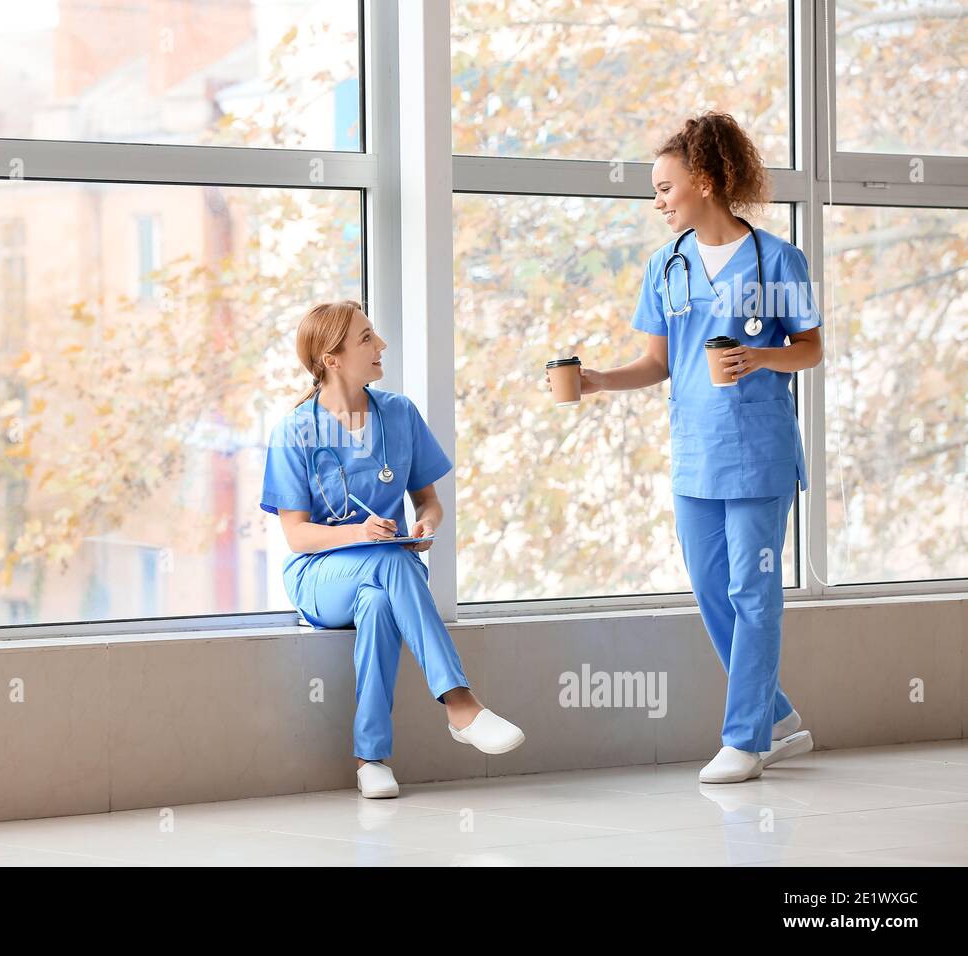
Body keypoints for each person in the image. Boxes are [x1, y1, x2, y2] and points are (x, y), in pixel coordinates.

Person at [549, 113, 822, 784]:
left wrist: (758, 357)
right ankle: (779, 719)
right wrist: (598, 381)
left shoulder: (780, 260)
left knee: (752, 591)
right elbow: (658, 363)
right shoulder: (664, 266)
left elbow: (811, 349)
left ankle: (747, 739)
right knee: (712, 592)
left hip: (757, 453)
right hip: (695, 453)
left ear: (705, 180)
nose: (659, 201)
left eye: (666, 187)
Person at [261, 300, 525, 798]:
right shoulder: (294, 431)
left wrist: (425, 523)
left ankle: (371, 759)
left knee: (380, 602)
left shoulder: (399, 414)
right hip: (318, 577)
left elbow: (429, 502)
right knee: (389, 561)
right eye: (366, 339)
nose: (380, 345)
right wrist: (359, 533)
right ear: (332, 358)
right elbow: (297, 535)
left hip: (388, 572)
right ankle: (460, 704)